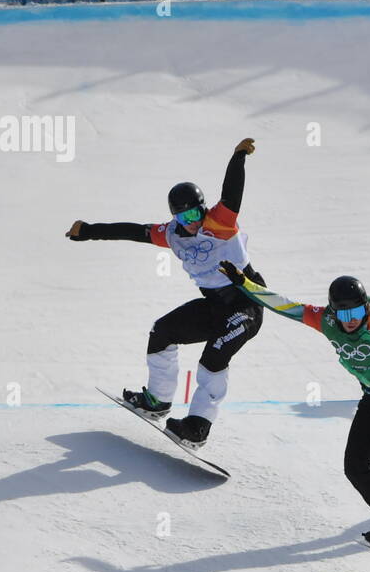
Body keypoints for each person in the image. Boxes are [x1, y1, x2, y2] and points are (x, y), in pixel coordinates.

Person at [217, 262, 370, 567]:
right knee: (356, 465)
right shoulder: (326, 321)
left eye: (356, 313)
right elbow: (284, 305)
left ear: (366, 307)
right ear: (334, 313)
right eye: (344, 314)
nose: (351, 321)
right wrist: (244, 283)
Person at [65, 138, 266, 447]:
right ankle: (156, 401)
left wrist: (238, 156)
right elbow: (133, 231)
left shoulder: (220, 221)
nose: (193, 223)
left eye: (196, 214)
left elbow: (232, 192)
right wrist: (90, 231)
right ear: (175, 218)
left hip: (246, 304)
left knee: (214, 355)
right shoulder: (171, 234)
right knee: (162, 332)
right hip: (214, 305)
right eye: (185, 218)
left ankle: (197, 426)